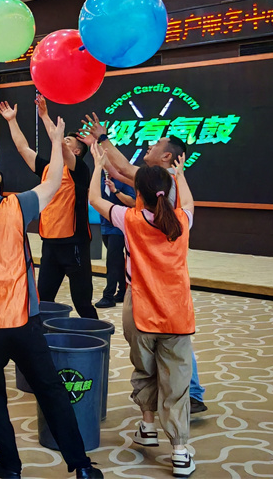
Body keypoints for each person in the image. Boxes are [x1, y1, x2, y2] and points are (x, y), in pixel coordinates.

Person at [0, 120, 102, 479]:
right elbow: (53, 181)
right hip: (22, 322)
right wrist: (56, 139)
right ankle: (81, 466)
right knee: (50, 391)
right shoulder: (17, 205)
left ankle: (10, 463)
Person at [80, 115, 208, 414]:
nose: (150, 144)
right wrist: (99, 151)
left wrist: (103, 139)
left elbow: (124, 170)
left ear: (167, 157)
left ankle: (191, 393)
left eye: (157, 143)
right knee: (172, 335)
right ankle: (186, 393)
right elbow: (118, 171)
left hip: (159, 272)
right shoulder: (159, 183)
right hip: (158, 273)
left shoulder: (167, 180)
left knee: (172, 337)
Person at [88, 143, 196, 477]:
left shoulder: (130, 219)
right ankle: (179, 451)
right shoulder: (181, 221)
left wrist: (97, 166)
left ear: (139, 193)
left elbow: (94, 200)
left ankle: (147, 426)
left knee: (144, 370)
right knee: (176, 382)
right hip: (177, 315)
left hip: (140, 311)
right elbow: (189, 204)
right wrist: (180, 176)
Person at [0, 96, 97, 319]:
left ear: (77, 152)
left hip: (74, 245)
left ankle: (94, 336)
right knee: (43, 300)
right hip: (50, 244)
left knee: (82, 303)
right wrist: (11, 121)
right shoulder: (47, 168)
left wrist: (44, 117)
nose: (63, 142)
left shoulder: (79, 170)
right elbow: (23, 148)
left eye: (68, 141)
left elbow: (59, 145)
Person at [96, 173, 135, 308]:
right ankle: (123, 291)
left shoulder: (124, 180)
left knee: (112, 261)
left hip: (119, 226)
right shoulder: (101, 179)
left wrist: (116, 191)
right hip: (105, 225)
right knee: (117, 261)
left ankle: (108, 296)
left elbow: (132, 201)